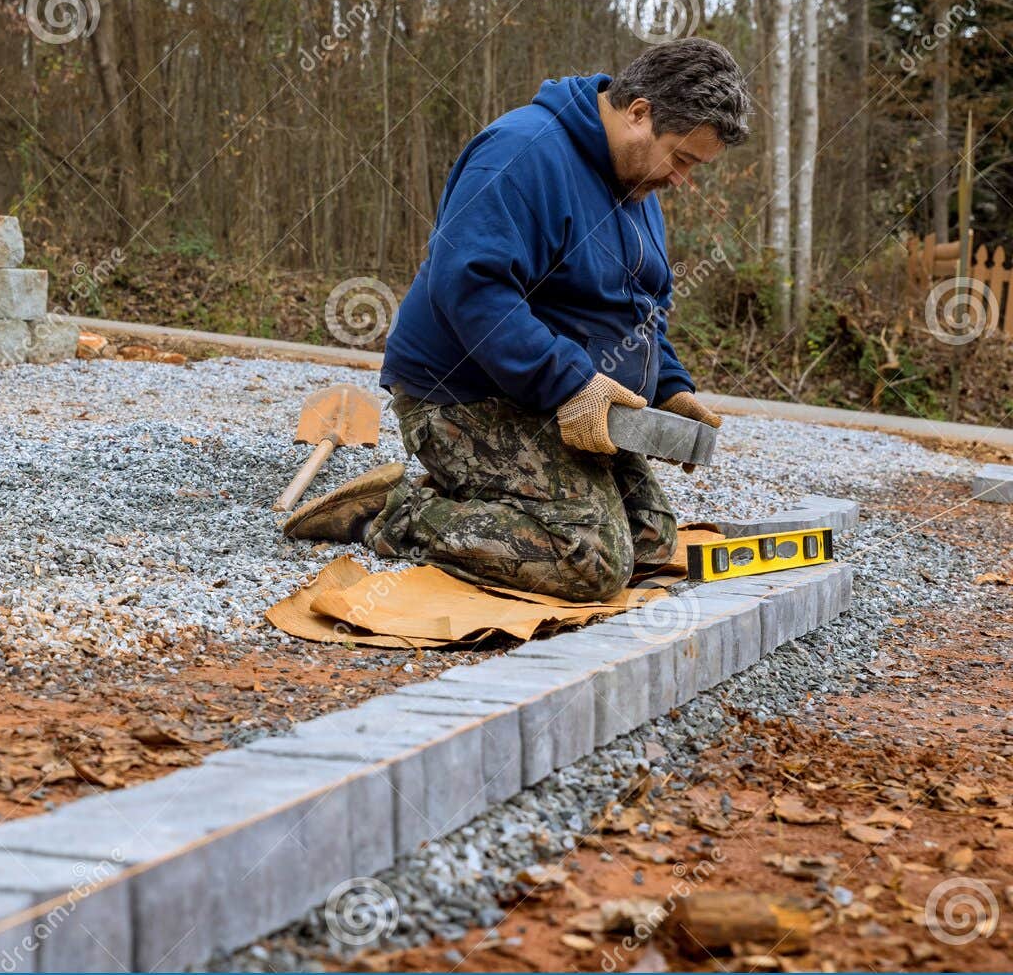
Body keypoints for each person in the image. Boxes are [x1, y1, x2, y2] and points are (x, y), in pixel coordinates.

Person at [283, 37, 751, 602]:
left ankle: (484, 494)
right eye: (681, 159)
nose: (681, 180)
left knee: (651, 539)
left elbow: (640, 306)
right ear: (639, 113)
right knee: (592, 560)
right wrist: (571, 383)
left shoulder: (636, 183)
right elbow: (472, 286)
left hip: (552, 398)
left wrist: (671, 388)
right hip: (461, 396)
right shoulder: (522, 153)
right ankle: (392, 512)